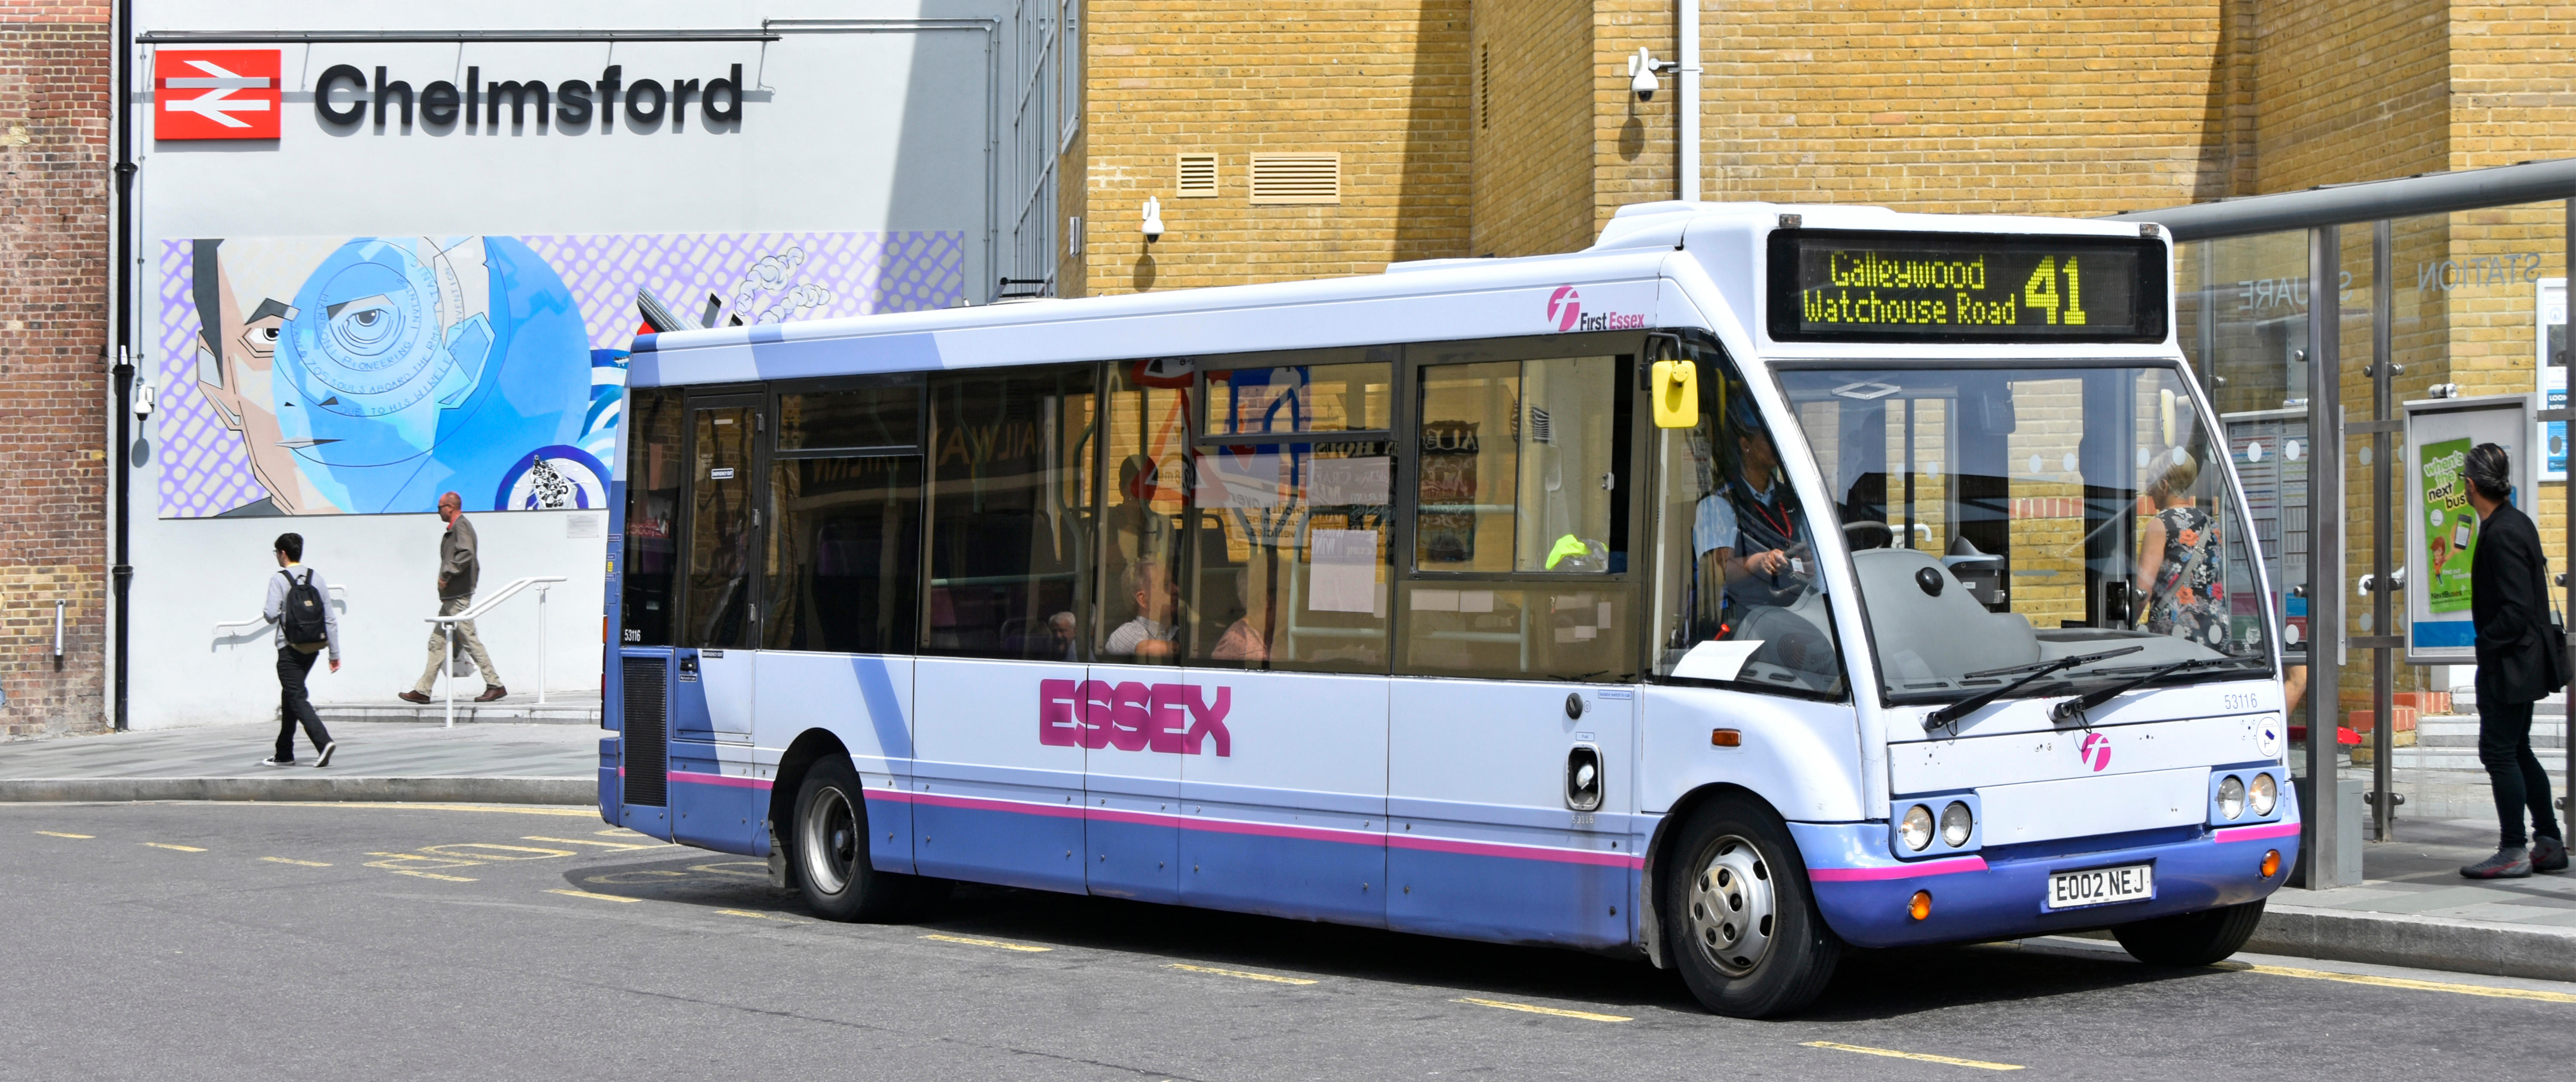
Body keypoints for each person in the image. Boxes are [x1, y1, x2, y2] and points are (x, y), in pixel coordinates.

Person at [2459, 444, 2568, 878]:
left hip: (2510, 663)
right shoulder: (2516, 522)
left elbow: (2516, 607)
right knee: (2518, 749)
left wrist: (2485, 643)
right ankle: (2549, 840)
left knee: (2499, 752)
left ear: (2471, 485)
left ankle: (2513, 848)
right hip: (2524, 660)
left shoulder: (2501, 532)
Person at [398, 491, 507, 704]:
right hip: (452, 597)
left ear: (450, 507)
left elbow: (466, 553)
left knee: (469, 639)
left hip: (458, 597)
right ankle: (423, 690)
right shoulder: (456, 528)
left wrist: (447, 573)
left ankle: (495, 684)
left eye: (439, 507)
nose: (437, 512)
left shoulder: (461, 527)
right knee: (437, 643)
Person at [261, 532, 340, 767]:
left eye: (277, 552)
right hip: (313, 647)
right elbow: (331, 619)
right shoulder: (317, 578)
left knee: (296, 696)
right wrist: (334, 654)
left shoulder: (279, 579)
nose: (277, 556)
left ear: (283, 553)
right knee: (290, 696)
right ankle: (284, 753)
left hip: (289, 648)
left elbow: (270, 615)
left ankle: (323, 741)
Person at [2133, 449, 2227, 647]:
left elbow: (2143, 591)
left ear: (2164, 485)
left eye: (2151, 483)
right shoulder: (2212, 525)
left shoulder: (2161, 524)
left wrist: (2125, 624)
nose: (2149, 490)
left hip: (2178, 633)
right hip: (2216, 630)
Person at [1103, 562, 1180, 658]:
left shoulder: (1179, 631)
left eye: (1175, 583)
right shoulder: (1127, 632)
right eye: (1166, 585)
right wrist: (1186, 649)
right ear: (1143, 600)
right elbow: (1145, 649)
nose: (1177, 589)